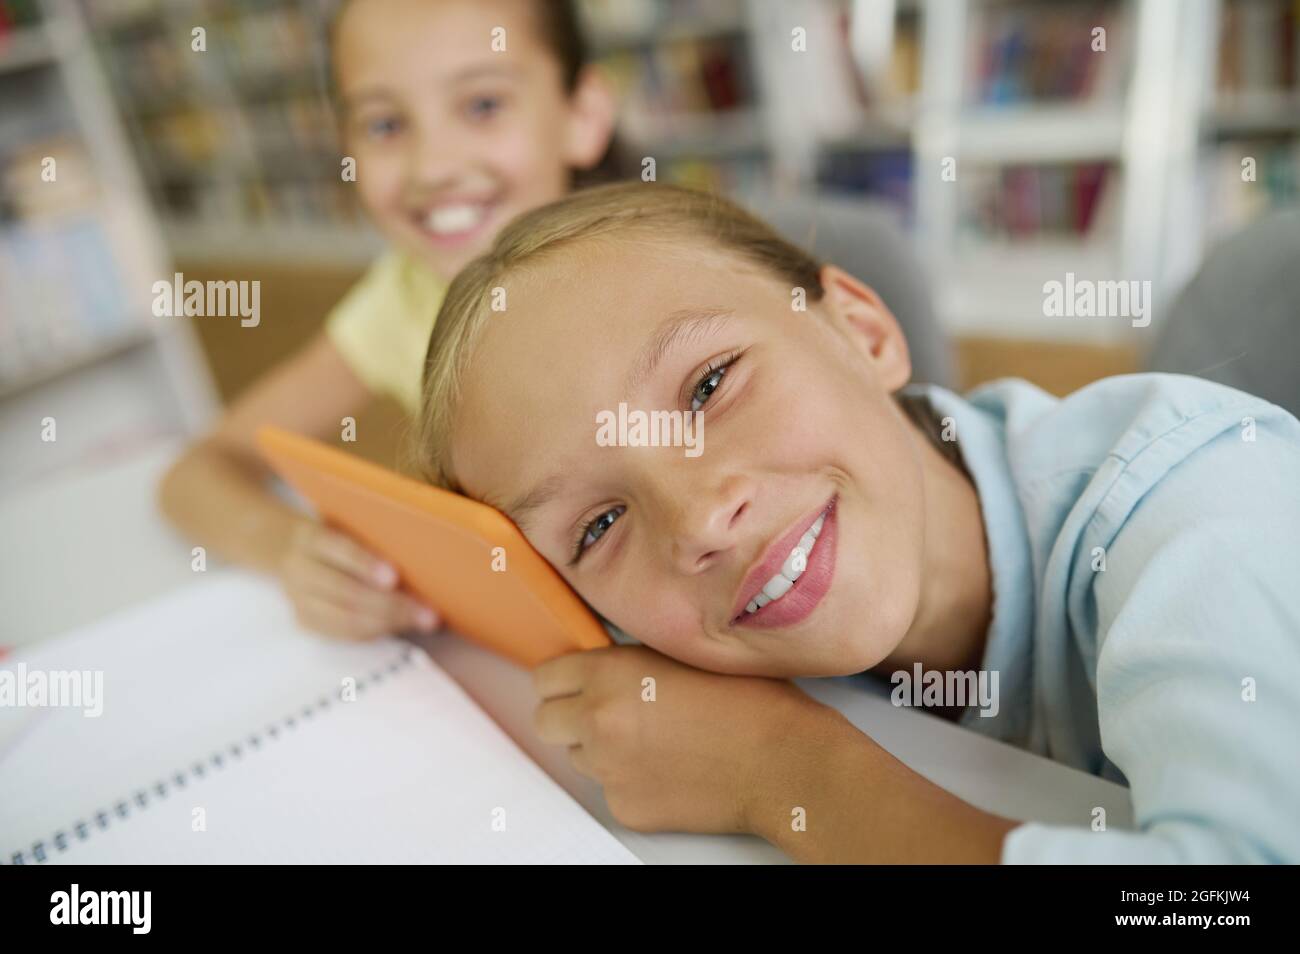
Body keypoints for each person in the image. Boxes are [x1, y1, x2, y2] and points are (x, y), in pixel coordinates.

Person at [412, 182, 1300, 863]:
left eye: (712, 386)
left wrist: (782, 776)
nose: (700, 521)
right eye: (601, 524)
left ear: (864, 332)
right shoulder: (712, 613)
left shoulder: (1194, 509)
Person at [158, 0, 617, 640]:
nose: (433, 167)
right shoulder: (399, 299)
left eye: (483, 106)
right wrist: (294, 550)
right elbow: (198, 471)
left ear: (583, 115)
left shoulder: (674, 277)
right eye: (385, 125)